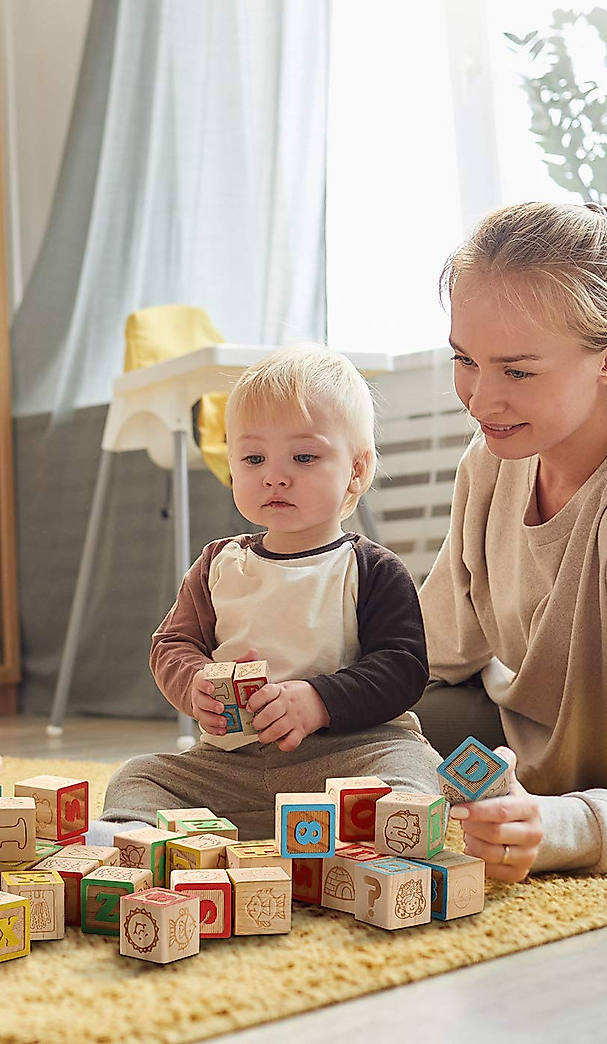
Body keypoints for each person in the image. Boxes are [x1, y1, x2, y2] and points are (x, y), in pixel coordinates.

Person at [416, 201, 607, 883]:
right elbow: (435, 647)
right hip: (516, 739)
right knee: (334, 727)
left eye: (517, 372)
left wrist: (557, 827)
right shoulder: (493, 459)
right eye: (464, 360)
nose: (479, 399)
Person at [95, 344, 440, 841]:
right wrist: (196, 685)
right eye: (254, 457)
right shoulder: (218, 565)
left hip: (348, 755)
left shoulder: (372, 568)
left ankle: (378, 841)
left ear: (357, 470)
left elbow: (403, 668)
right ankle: (138, 838)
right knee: (139, 774)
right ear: (233, 467)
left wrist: (318, 701)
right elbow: (171, 646)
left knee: (410, 766)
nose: (274, 475)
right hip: (231, 763)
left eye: (304, 456)